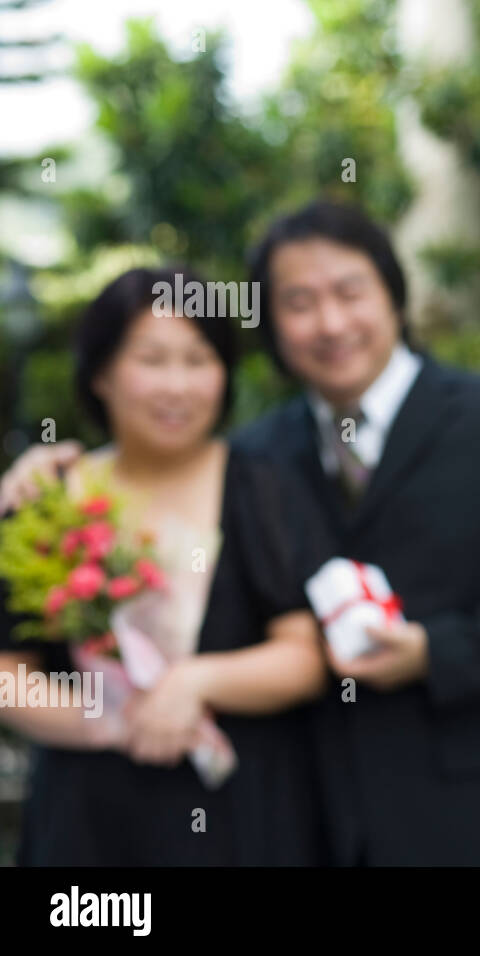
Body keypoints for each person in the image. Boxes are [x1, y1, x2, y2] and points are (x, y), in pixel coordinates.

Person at [1, 201, 480, 864]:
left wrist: (431, 651)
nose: (330, 323)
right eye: (298, 302)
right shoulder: (261, 450)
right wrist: (47, 467)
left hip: (464, 807)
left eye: (350, 292)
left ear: (394, 296)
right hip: (302, 810)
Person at [0, 266, 331, 865]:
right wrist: (112, 721)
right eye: (152, 360)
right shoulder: (45, 499)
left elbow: (304, 656)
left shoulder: (263, 489)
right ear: (100, 372)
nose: (177, 386)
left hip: (240, 817)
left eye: (199, 359)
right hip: (87, 825)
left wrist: (193, 681)